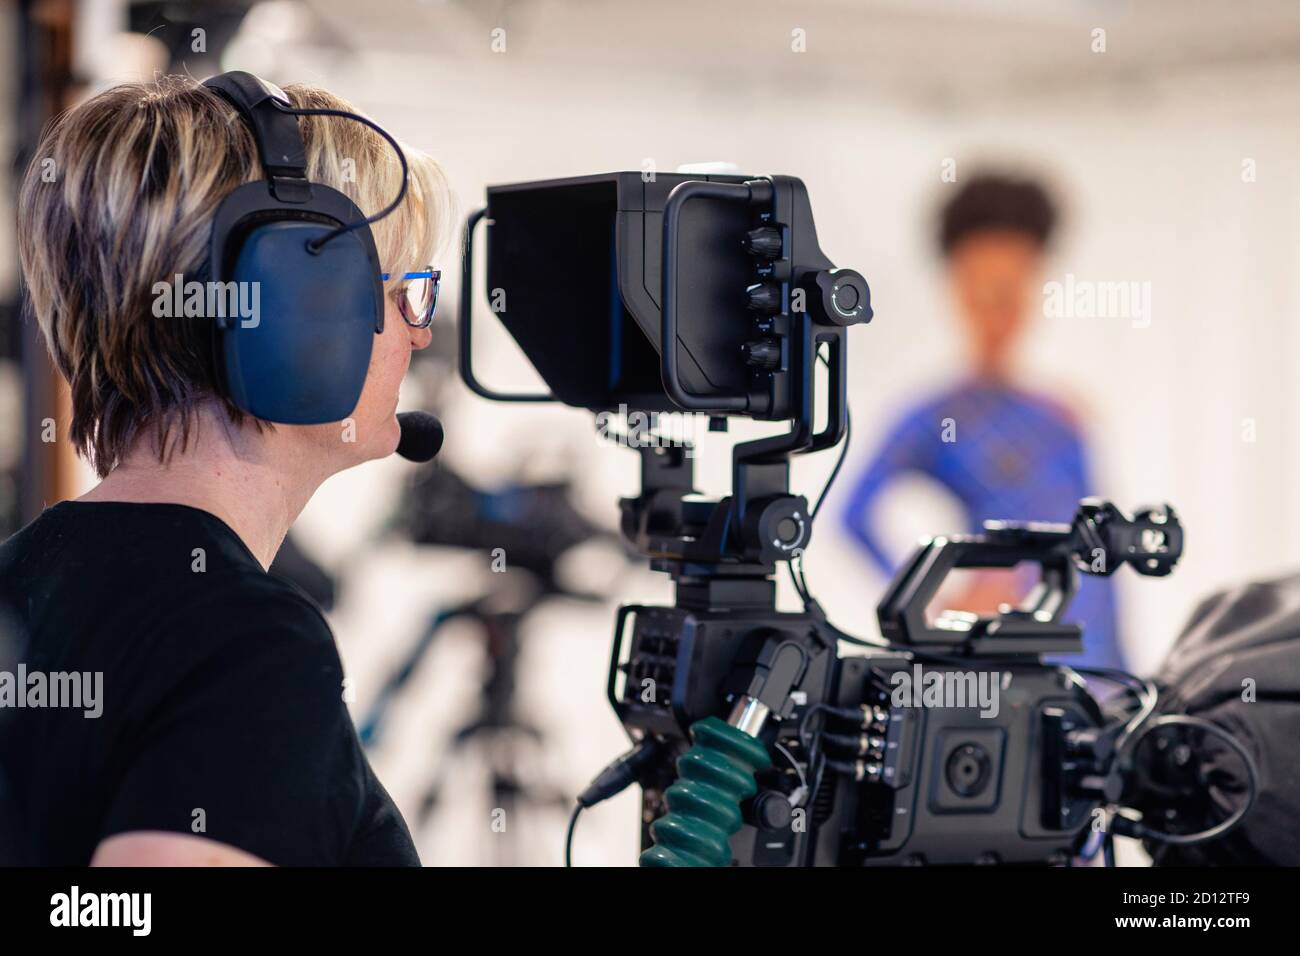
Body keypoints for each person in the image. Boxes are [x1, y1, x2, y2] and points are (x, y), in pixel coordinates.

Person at [0, 76, 448, 865]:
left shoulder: (20, 577)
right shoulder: (243, 642)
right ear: (285, 310)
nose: (419, 336)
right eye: (407, 293)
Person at [841, 172, 1122, 670]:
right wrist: (937, 597)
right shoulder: (934, 417)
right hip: (1006, 660)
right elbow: (854, 514)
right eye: (982, 291)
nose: (998, 312)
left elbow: (1100, 570)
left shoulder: (1061, 417)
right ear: (956, 290)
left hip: (1098, 661)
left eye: (1013, 291)